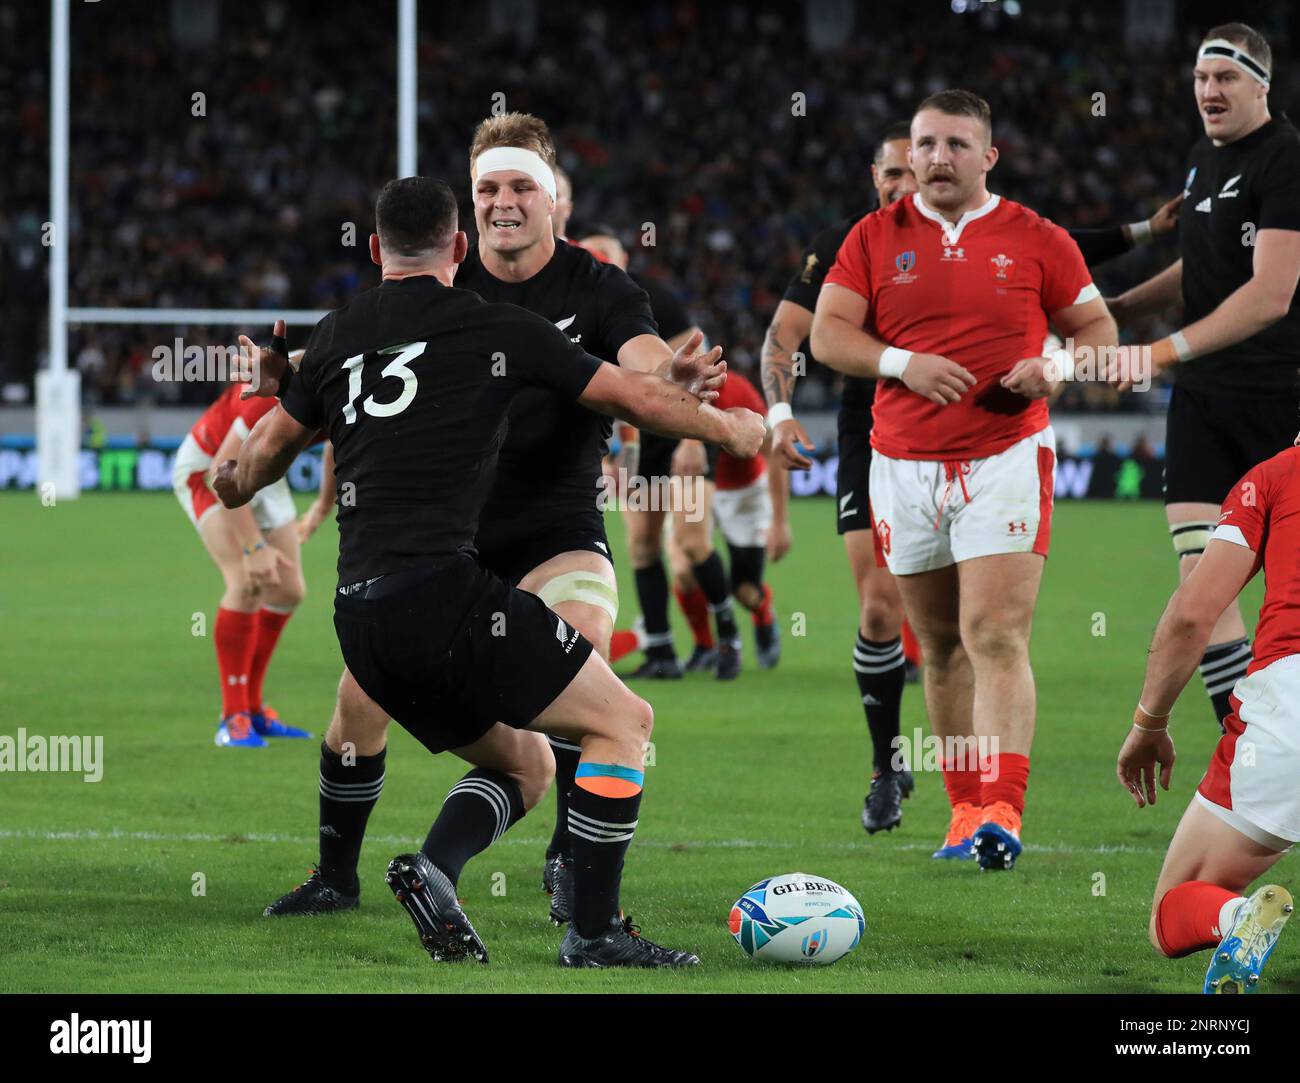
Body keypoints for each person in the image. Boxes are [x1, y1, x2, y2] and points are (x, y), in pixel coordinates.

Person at [217, 176, 763, 967]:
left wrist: (226, 479)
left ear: (374, 250)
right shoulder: (498, 328)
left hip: (360, 615)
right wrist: (732, 427)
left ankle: (432, 869)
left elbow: (252, 463)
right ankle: (595, 932)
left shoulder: (338, 336)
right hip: (446, 598)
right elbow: (635, 400)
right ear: (461, 247)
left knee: (526, 760)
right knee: (623, 722)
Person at [810, 90, 1117, 870]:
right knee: (940, 645)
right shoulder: (873, 236)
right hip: (901, 467)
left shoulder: (1037, 237)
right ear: (908, 156)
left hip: (1005, 456)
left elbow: (1098, 330)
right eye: (926, 144)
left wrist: (1053, 365)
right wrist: (903, 362)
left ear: (989, 157)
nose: (938, 157)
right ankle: (964, 811)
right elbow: (827, 334)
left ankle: (1005, 811)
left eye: (956, 143)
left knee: (994, 633)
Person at [1107, 22, 1300, 733]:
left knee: (1286, 595)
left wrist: (1162, 352)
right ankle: (1241, 737)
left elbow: (1271, 291)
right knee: (1203, 581)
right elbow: (1205, 261)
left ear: (1262, 85)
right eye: (1199, 79)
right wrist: (1129, 307)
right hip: (1201, 404)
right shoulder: (1201, 160)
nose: (1209, 91)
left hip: (1277, 400)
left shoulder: (1286, 160)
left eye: (1225, 77)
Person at [764, 120, 919, 834]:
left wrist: (1139, 232)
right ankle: (886, 767)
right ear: (874, 177)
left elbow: (1067, 247)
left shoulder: (981, 238)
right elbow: (781, 340)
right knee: (880, 607)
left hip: (965, 431)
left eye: (913, 172)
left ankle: (987, 798)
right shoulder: (848, 242)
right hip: (871, 428)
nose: (903, 186)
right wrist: (781, 411)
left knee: (965, 625)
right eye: (891, 173)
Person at [1116, 436, 1300, 993]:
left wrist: (1149, 723)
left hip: (1289, 709)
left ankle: (1236, 920)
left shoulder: (1271, 478)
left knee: (1172, 910)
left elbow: (1192, 616)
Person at [577, 226, 746, 678]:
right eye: (592, 254)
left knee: (692, 543)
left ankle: (729, 635)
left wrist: (693, 438)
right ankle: (662, 651)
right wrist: (613, 457)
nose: (600, 261)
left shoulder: (652, 298)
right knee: (643, 547)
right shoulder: (578, 308)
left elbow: (701, 367)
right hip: (638, 443)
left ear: (623, 258)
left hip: (679, 434)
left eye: (607, 254)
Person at [170, 381, 312, 748]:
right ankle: (232, 719)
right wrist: (254, 547)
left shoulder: (352, 383)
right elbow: (223, 467)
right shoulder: (275, 390)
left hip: (262, 471)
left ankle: (253, 709)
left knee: (287, 590)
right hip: (210, 470)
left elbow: (333, 454)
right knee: (246, 581)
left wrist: (323, 508)